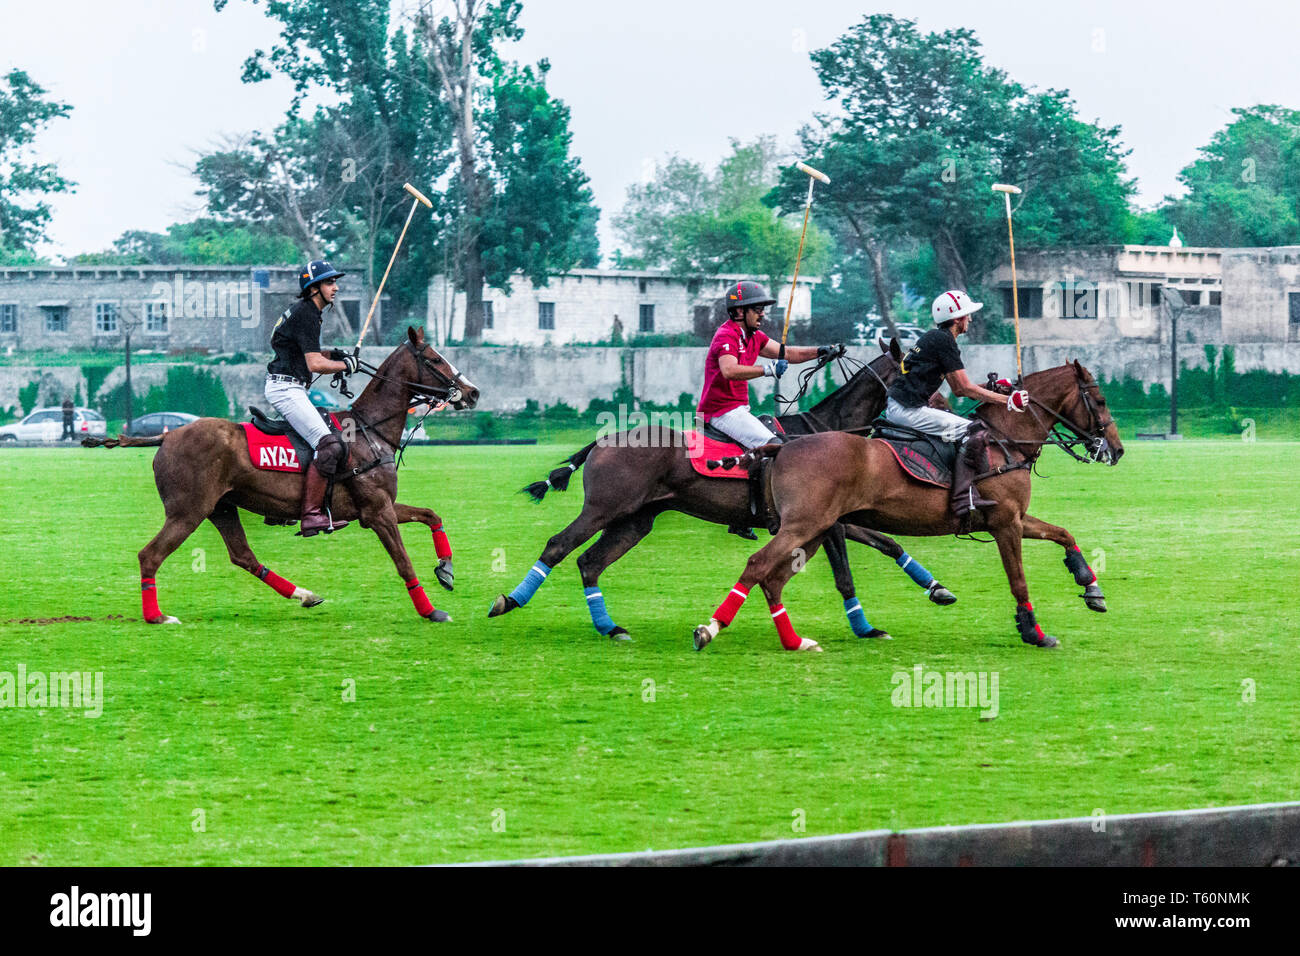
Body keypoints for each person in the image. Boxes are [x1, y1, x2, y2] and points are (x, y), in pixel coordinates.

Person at [698, 279, 841, 538]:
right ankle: (761, 512)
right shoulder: (727, 335)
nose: (762, 313)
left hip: (739, 409)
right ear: (739, 311)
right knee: (775, 446)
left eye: (763, 308)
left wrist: (821, 351)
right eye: (757, 308)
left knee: (774, 438)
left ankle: (741, 515)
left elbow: (788, 353)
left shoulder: (754, 336)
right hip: (720, 412)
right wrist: (766, 369)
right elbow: (729, 370)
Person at [884, 289, 1029, 522]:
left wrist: (993, 387)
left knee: (967, 428)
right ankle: (964, 497)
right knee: (974, 431)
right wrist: (1008, 401)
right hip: (908, 411)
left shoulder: (936, 338)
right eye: (967, 315)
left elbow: (957, 387)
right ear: (957, 318)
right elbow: (963, 389)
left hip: (902, 406)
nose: (970, 319)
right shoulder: (944, 341)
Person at [265, 260, 360, 537]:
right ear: (313, 287)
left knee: (312, 440)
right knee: (329, 445)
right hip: (286, 389)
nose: (336, 287)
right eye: (330, 283)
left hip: (289, 386)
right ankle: (311, 515)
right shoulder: (307, 313)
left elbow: (306, 353)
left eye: (334, 282)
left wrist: (336, 356)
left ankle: (276, 508)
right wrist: (346, 366)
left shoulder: (306, 312)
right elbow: (314, 364)